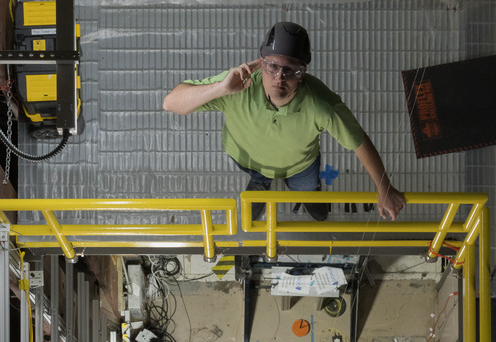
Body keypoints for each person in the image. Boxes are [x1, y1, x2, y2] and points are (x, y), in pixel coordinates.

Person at [163, 21, 406, 222]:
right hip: (250, 159)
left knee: (307, 186)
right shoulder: (238, 85)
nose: (279, 78)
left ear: (304, 73)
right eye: (272, 67)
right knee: (259, 177)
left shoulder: (320, 104)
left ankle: (310, 194)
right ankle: (260, 184)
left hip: (300, 166)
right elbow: (171, 103)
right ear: (261, 62)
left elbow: (358, 141)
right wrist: (220, 89)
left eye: (291, 70)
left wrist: (384, 187)